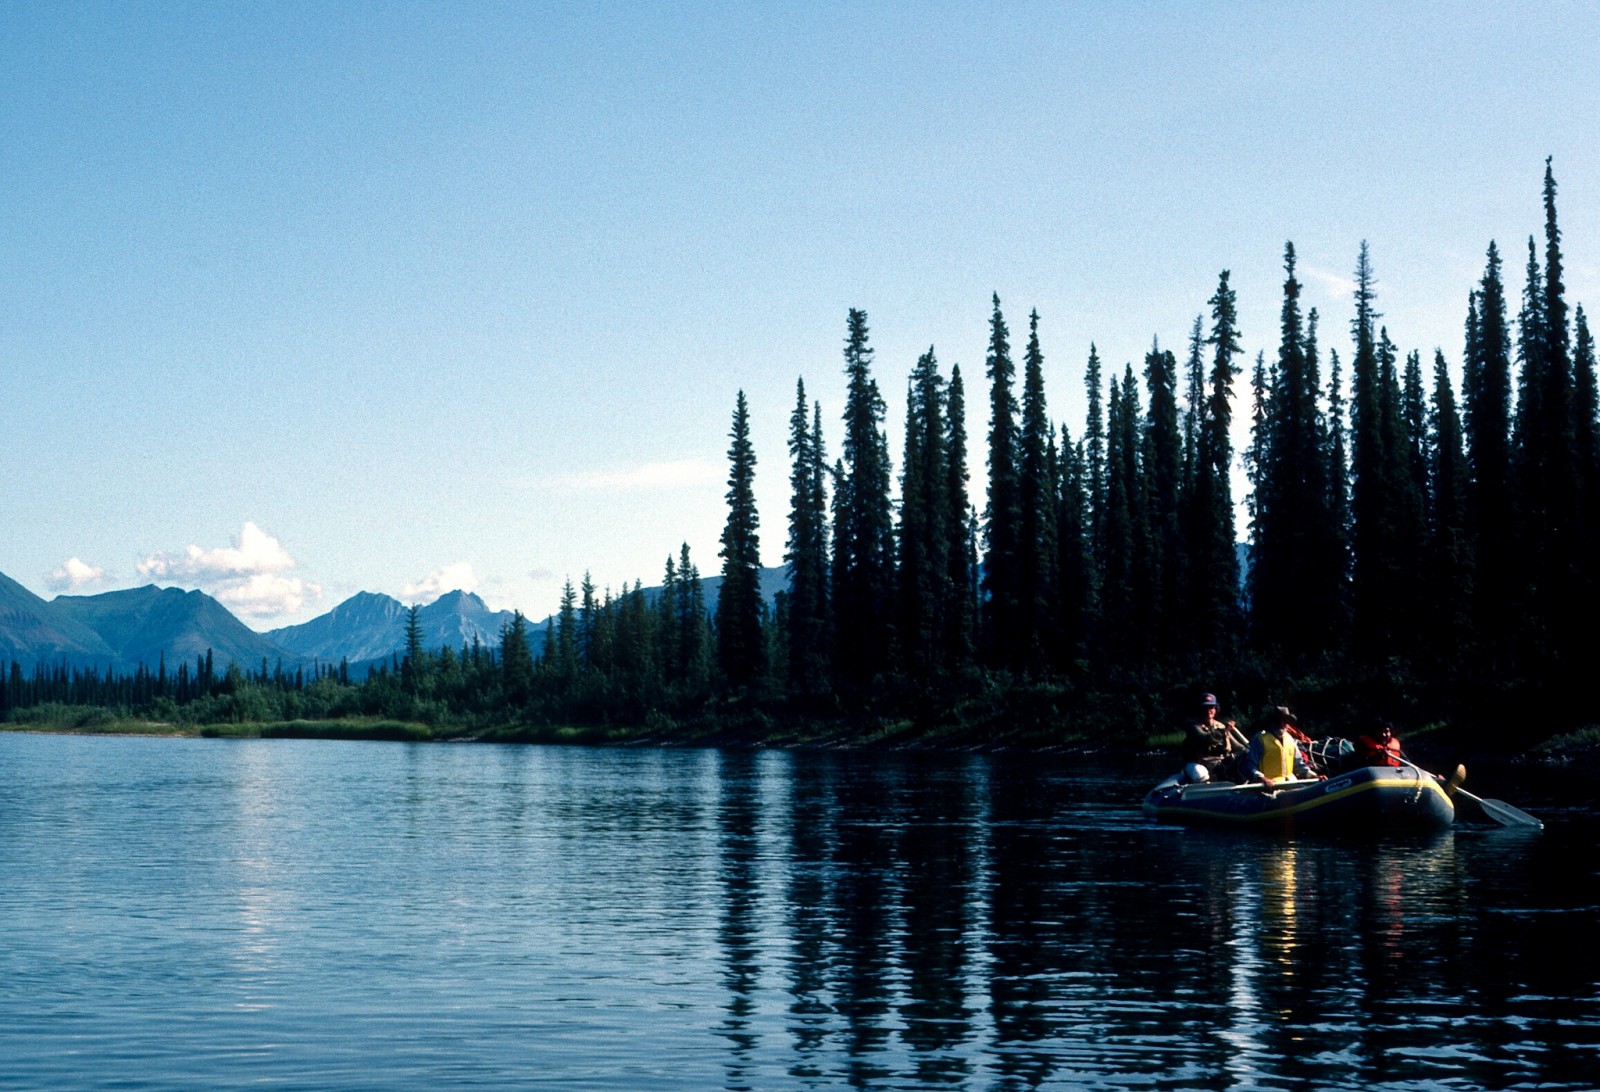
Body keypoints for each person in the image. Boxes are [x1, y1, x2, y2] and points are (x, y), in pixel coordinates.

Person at [1241, 706, 1323, 788]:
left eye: (1285, 721)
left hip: (1291, 782)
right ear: (1272, 722)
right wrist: (1262, 778)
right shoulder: (1260, 739)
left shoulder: (1290, 740)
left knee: (1306, 789)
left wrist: (1313, 776)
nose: (1282, 724)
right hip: (1270, 785)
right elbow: (1250, 765)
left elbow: (1299, 765)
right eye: (1278, 721)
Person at [1180, 692, 1239, 783]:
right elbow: (1205, 738)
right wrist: (1224, 731)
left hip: (1218, 763)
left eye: (1211, 707)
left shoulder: (1220, 726)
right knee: (1201, 775)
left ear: (1215, 709)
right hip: (1198, 763)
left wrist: (1249, 750)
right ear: (1200, 709)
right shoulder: (1193, 726)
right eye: (1205, 708)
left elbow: (1236, 746)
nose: (1208, 710)